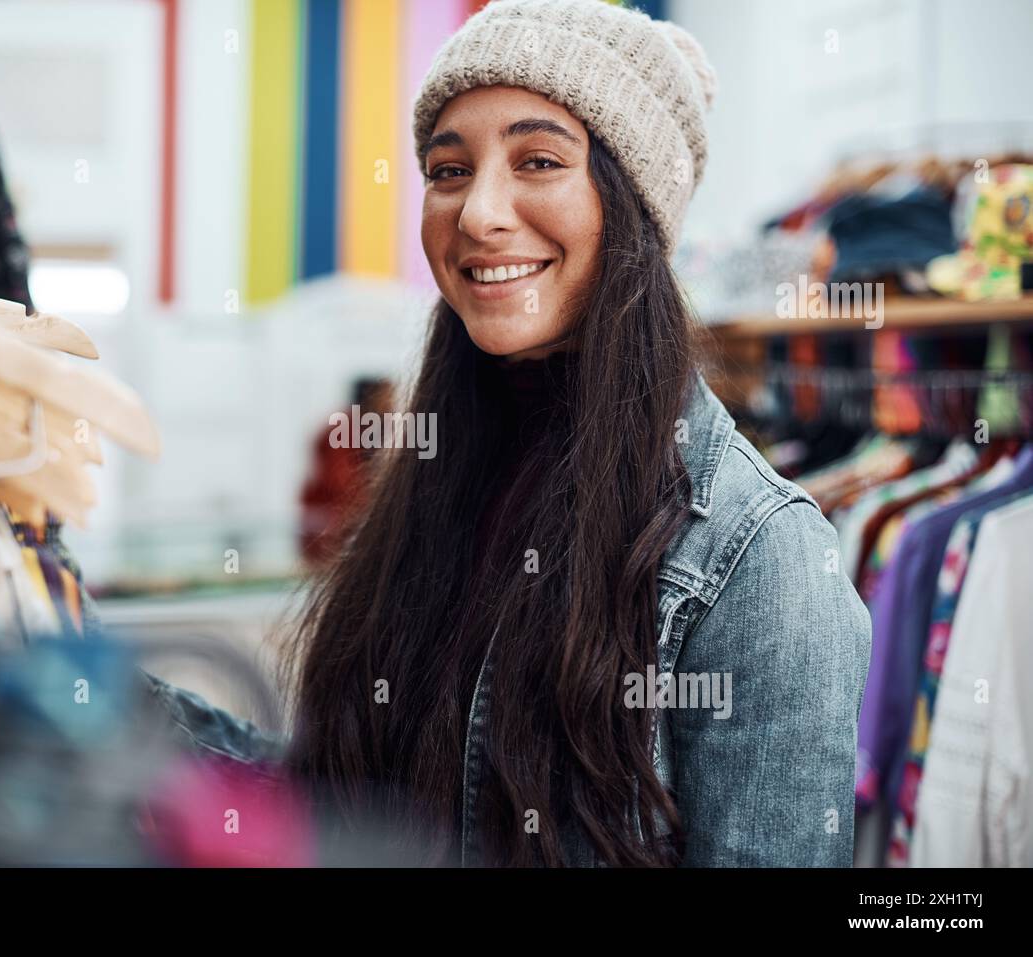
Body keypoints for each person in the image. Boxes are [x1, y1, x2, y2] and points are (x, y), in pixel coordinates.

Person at [147, 0, 871, 868]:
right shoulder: (436, 477)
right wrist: (119, 707)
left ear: (634, 205)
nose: (480, 212)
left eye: (538, 160)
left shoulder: (761, 558)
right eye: (449, 170)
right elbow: (352, 807)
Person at [298, 378, 395, 568]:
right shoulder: (344, 428)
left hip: (342, 529)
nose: (391, 404)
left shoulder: (369, 428)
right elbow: (342, 481)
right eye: (387, 397)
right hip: (327, 529)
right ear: (371, 398)